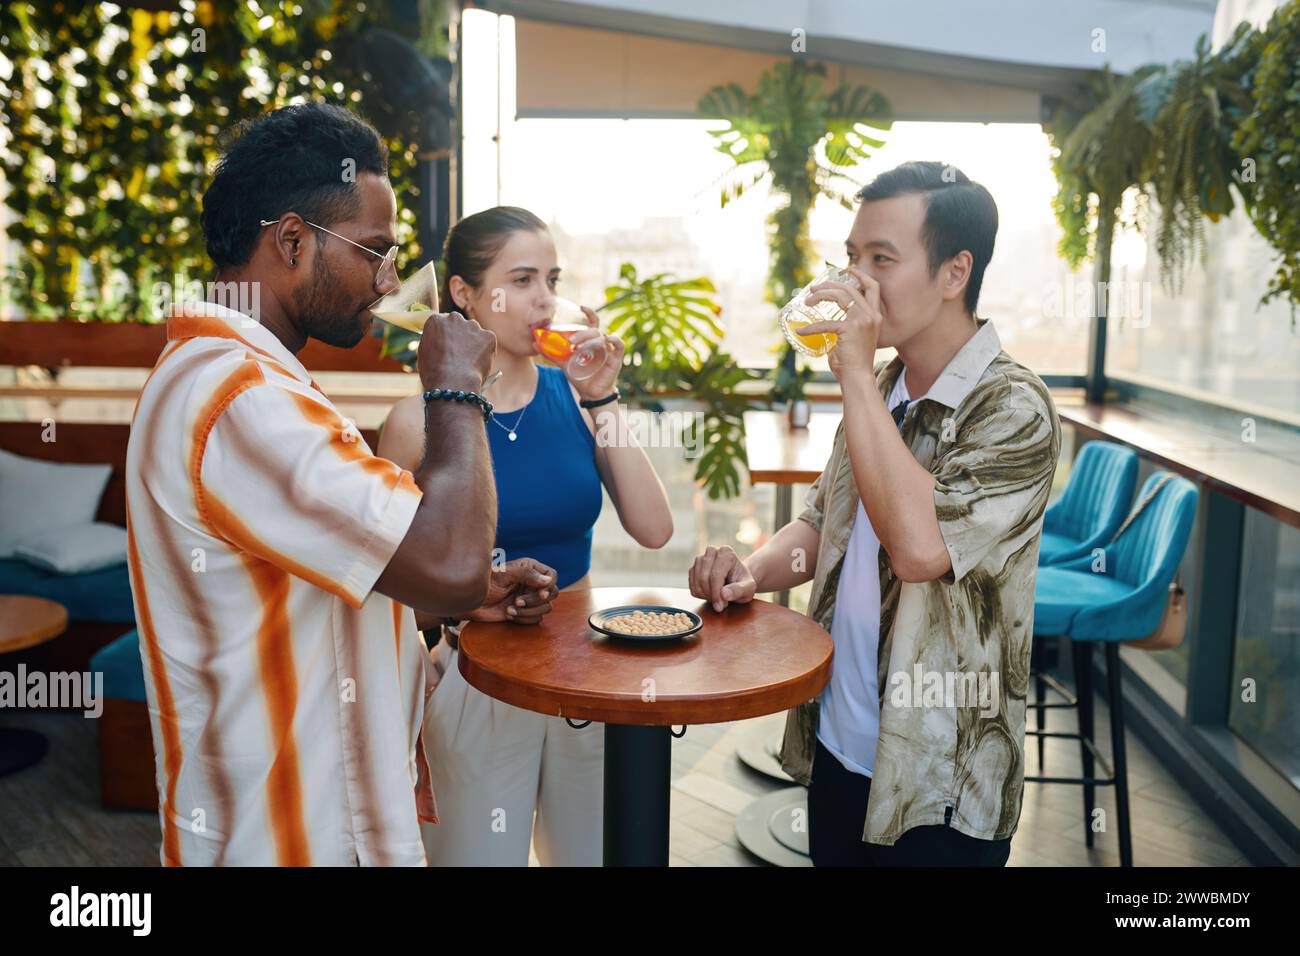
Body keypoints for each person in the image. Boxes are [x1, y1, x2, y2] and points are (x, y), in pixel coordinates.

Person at [125, 103, 556, 866]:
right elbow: (449, 562)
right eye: (373, 251)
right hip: (284, 838)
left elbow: (341, 574)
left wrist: (463, 590)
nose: (388, 280)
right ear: (292, 240)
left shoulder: (243, 381)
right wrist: (457, 385)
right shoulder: (240, 399)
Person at [687, 161, 1061, 866]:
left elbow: (920, 549)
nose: (855, 282)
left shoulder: (1014, 408)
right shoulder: (884, 385)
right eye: (852, 257)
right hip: (840, 743)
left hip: (940, 783)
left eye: (881, 260)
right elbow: (822, 525)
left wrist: (852, 374)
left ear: (955, 273)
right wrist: (752, 571)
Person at [379, 205, 673, 866]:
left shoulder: (576, 398)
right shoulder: (414, 422)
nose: (546, 299)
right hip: (474, 680)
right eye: (523, 279)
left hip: (584, 675)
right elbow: (385, 577)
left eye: (552, 277)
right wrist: (427, 658)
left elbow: (654, 528)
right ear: (466, 295)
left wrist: (604, 396)